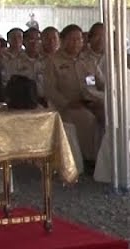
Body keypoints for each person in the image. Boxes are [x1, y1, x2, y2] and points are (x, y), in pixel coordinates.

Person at [44, 24, 104, 172]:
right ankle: (90, 159)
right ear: (63, 41)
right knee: (87, 120)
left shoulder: (88, 60)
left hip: (92, 101)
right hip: (68, 106)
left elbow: (102, 82)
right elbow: (50, 90)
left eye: (79, 39)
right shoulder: (54, 61)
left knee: (110, 116)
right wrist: (67, 103)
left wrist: (104, 97)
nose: (76, 43)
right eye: (72, 39)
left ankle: (108, 157)